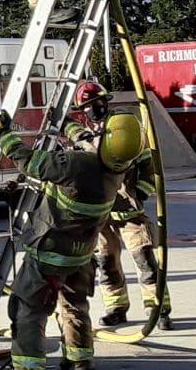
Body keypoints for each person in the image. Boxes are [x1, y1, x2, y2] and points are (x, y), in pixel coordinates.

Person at [0, 108, 143, 370]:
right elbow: (90, 143)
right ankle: (80, 366)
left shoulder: (73, 164)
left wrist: (0, 132)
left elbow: (27, 160)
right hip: (81, 256)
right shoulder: (117, 170)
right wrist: (68, 125)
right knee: (74, 306)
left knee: (28, 310)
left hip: (48, 253)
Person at [70, 81, 171, 330]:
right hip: (101, 214)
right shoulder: (85, 135)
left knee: (145, 259)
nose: (92, 109)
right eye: (87, 107)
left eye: (96, 104)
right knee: (106, 262)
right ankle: (116, 308)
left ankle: (158, 309)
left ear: (106, 102)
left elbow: (148, 166)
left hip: (130, 212)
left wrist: (141, 193)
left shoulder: (125, 128)